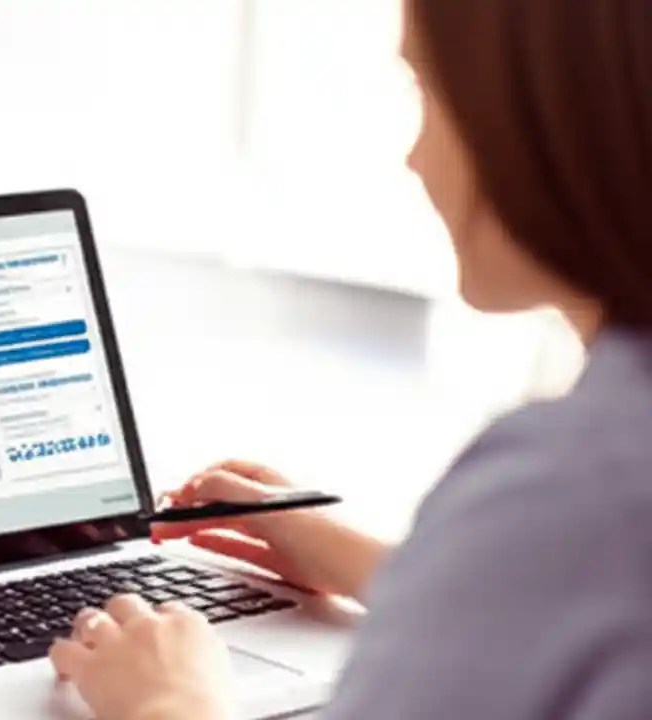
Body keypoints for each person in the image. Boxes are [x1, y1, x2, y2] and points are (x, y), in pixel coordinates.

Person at [48, 0, 652, 717]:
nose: (415, 157)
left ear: (548, 112)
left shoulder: (572, 485)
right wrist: (404, 571)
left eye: (431, 93)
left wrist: (169, 700)